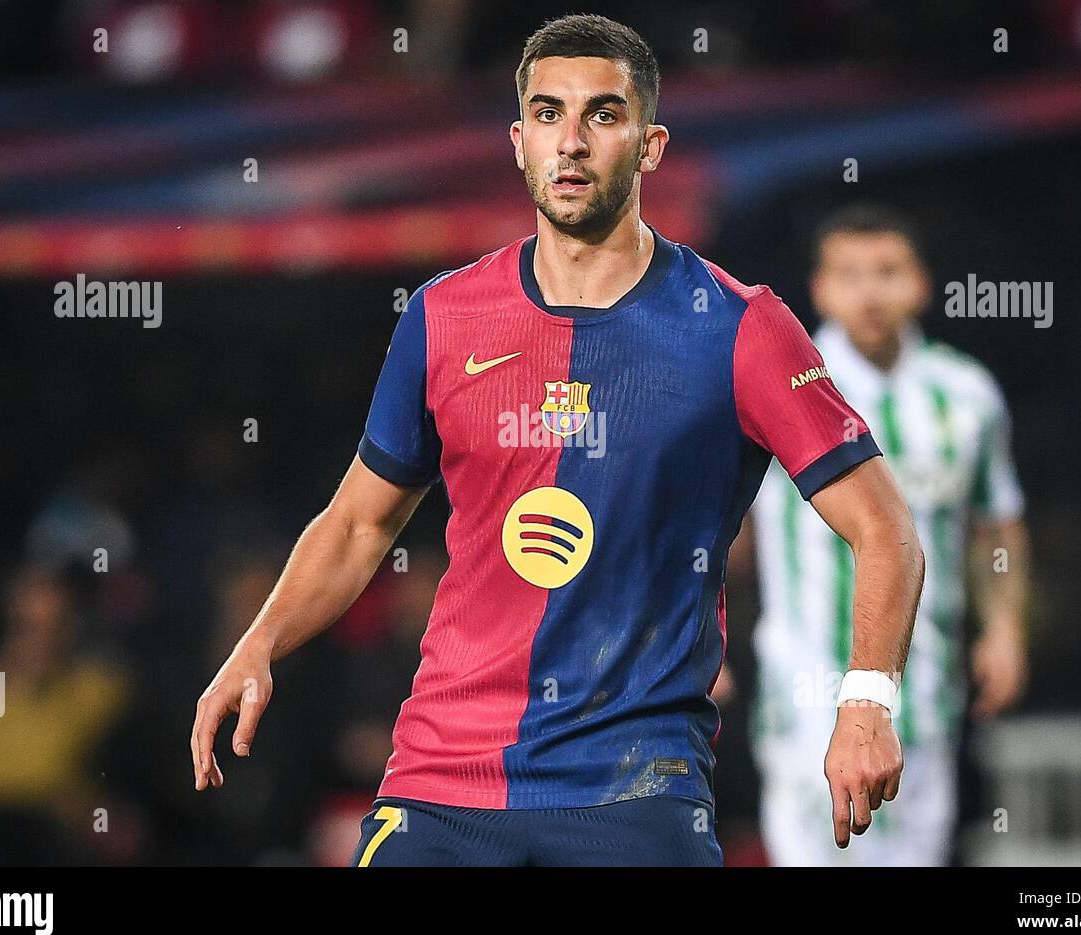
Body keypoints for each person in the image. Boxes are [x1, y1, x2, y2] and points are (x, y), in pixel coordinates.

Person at [192, 15, 924, 866]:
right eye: (548, 114)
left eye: (603, 116)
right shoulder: (441, 317)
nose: (571, 142)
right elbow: (360, 524)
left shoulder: (740, 328)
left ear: (650, 146)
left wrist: (867, 702)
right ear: (517, 141)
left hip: (635, 790)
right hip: (442, 782)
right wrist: (259, 643)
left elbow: (886, 531)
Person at [746, 203, 1029, 866]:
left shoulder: (966, 396)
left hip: (925, 688)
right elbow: (715, 524)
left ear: (921, 282)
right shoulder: (777, 384)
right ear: (817, 288)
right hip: (803, 689)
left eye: (887, 271)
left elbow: (996, 523)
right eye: (848, 274)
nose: (868, 292)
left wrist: (1005, 628)